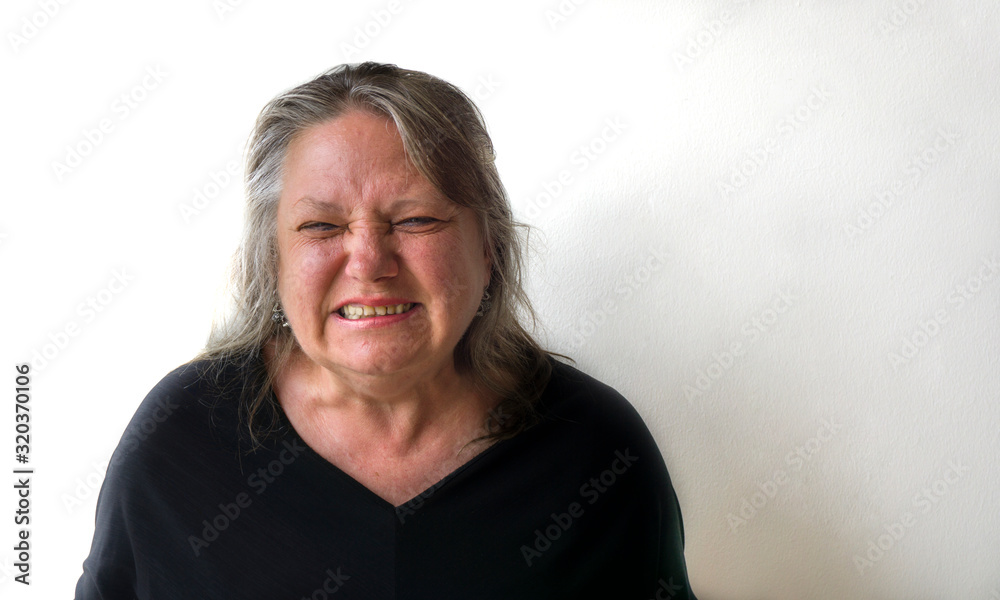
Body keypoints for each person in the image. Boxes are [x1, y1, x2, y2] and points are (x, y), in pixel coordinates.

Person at [74, 62, 698, 599]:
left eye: (418, 218)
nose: (370, 261)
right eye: (321, 227)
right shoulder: (181, 440)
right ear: (274, 262)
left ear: (488, 249)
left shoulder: (596, 452)